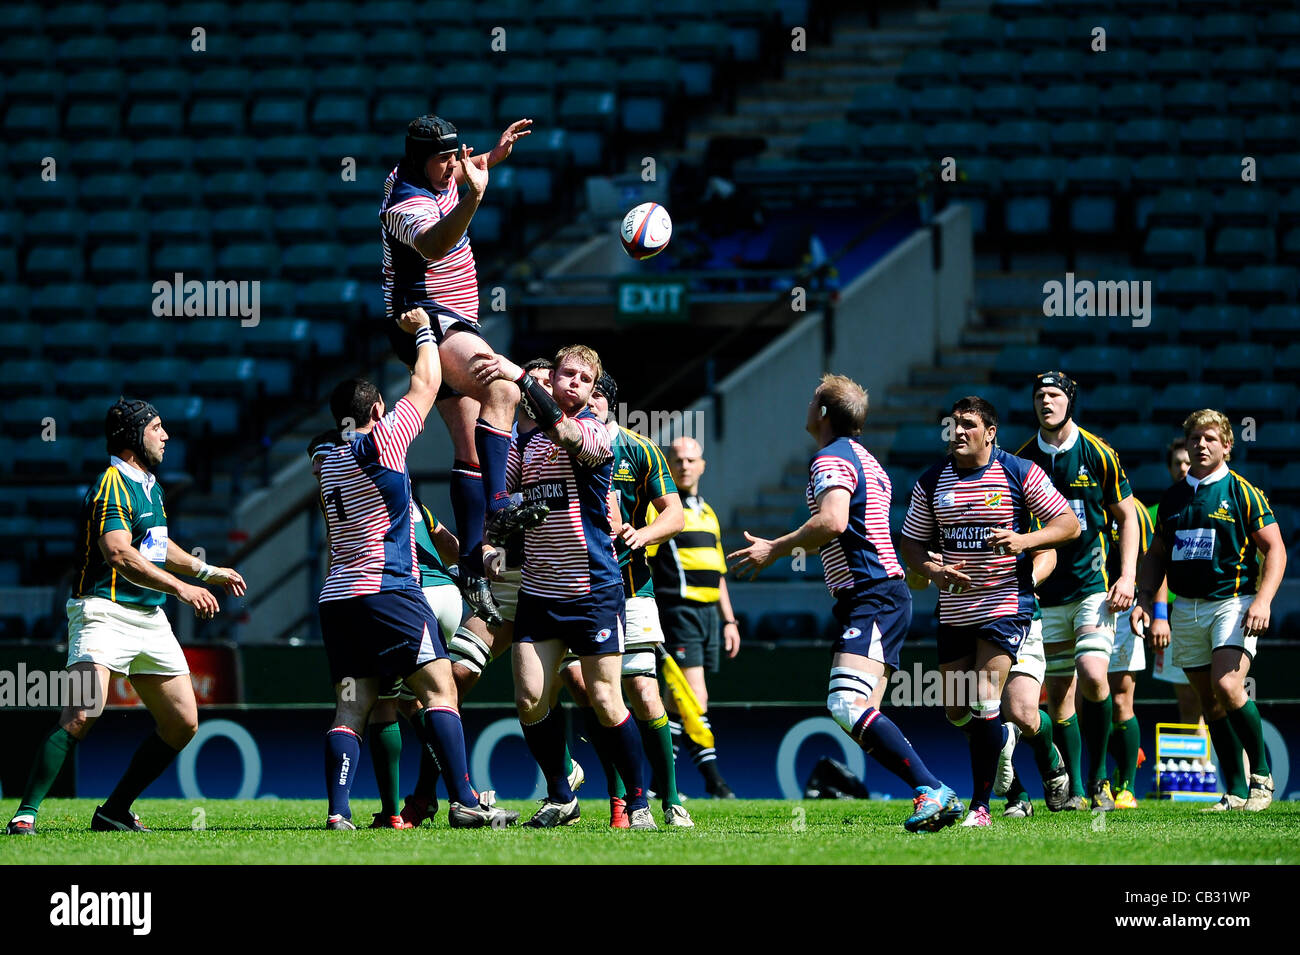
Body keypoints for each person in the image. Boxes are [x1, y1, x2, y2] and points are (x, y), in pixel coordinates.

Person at [728, 374, 965, 832]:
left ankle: (934, 788)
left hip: (872, 596)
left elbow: (834, 522)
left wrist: (774, 547)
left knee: (845, 704)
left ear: (821, 413)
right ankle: (930, 794)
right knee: (863, 713)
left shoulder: (829, 458)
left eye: (812, 398)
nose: (807, 404)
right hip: (883, 595)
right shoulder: (867, 461)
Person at [6, 399, 246, 835]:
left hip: (147, 617)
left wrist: (208, 572)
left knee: (182, 723)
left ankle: (114, 810)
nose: (166, 435)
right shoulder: (111, 483)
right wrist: (183, 588)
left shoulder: (149, 484)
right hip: (102, 611)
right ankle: (26, 813)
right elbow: (118, 552)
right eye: (157, 428)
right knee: (82, 712)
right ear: (135, 438)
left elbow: (156, 546)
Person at [316, 307, 516, 830]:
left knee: (351, 707)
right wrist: (426, 330)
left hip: (337, 599)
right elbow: (427, 382)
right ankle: (466, 801)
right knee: (439, 692)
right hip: (388, 589)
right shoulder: (383, 441)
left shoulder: (328, 462)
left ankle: (339, 814)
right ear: (378, 408)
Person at [476, 344, 655, 829]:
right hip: (539, 591)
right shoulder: (526, 447)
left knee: (604, 698)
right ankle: (561, 796)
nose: (573, 382)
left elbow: (562, 429)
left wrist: (518, 376)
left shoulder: (594, 434)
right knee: (530, 697)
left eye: (583, 378)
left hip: (592, 589)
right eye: (565, 374)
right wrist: (493, 543)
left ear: (593, 390)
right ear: (553, 379)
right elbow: (499, 509)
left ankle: (639, 803)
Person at [380, 114, 545, 625]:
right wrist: (476, 196)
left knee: (470, 445)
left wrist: (492, 157)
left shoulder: (443, 168)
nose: (454, 166)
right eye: (444, 159)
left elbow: (464, 167)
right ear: (416, 160)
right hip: (425, 319)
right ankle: (500, 506)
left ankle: (472, 564)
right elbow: (433, 243)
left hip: (453, 319)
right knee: (505, 388)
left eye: (455, 156)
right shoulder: (403, 201)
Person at [899, 396, 1080, 827]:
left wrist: (1025, 542)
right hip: (955, 611)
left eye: (968, 425)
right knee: (957, 711)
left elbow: (1068, 524)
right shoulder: (932, 481)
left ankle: (983, 807)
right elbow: (910, 543)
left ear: (990, 432)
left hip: (1005, 606)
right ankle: (1037, 758)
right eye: (954, 424)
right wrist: (933, 569)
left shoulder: (1018, 472)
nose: (958, 432)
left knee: (986, 700)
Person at [557, 372, 693, 828]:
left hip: (632, 588)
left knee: (641, 689)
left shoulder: (638, 449)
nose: (585, 403)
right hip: (576, 591)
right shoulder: (559, 447)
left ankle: (670, 799)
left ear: (609, 403)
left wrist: (641, 534)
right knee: (591, 692)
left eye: (594, 396)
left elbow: (675, 514)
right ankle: (620, 801)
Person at [1134, 410, 1287, 812]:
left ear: (1227, 446)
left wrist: (1264, 599)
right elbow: (1157, 554)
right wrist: (1146, 597)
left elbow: (1275, 549)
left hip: (1233, 604)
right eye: (1194, 439)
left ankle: (1262, 778)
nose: (1201, 445)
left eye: (1210, 439)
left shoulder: (1242, 492)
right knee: (1210, 702)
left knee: (1228, 686)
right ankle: (1235, 790)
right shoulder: (1172, 497)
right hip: (1187, 609)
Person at [1014, 371, 1139, 812]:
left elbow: (1128, 517)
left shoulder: (1099, 453)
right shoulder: (1022, 461)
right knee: (1060, 692)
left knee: (1092, 673)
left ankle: (1100, 779)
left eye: (1054, 395)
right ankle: (1074, 791)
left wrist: (1127, 576)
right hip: (1046, 593)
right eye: (1039, 396)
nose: (1046, 403)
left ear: (1070, 402)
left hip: (1093, 587)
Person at [646, 436, 740, 798]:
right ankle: (715, 782)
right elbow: (644, 557)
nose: (684, 465)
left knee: (676, 700)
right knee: (695, 697)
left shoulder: (708, 512)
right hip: (678, 610)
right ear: (669, 466)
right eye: (677, 460)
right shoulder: (663, 511)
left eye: (691, 460)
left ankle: (658, 783)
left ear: (702, 465)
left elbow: (718, 573)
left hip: (708, 617)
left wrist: (729, 621)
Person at [1149, 438, 1202, 727]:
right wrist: (1159, 616)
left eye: (1187, 462)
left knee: (1218, 696)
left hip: (1210, 609)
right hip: (1171, 615)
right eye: (1177, 463)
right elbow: (1156, 566)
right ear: (1169, 469)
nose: (1183, 467)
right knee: (1187, 698)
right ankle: (1196, 769)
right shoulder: (1158, 511)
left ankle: (1225, 766)